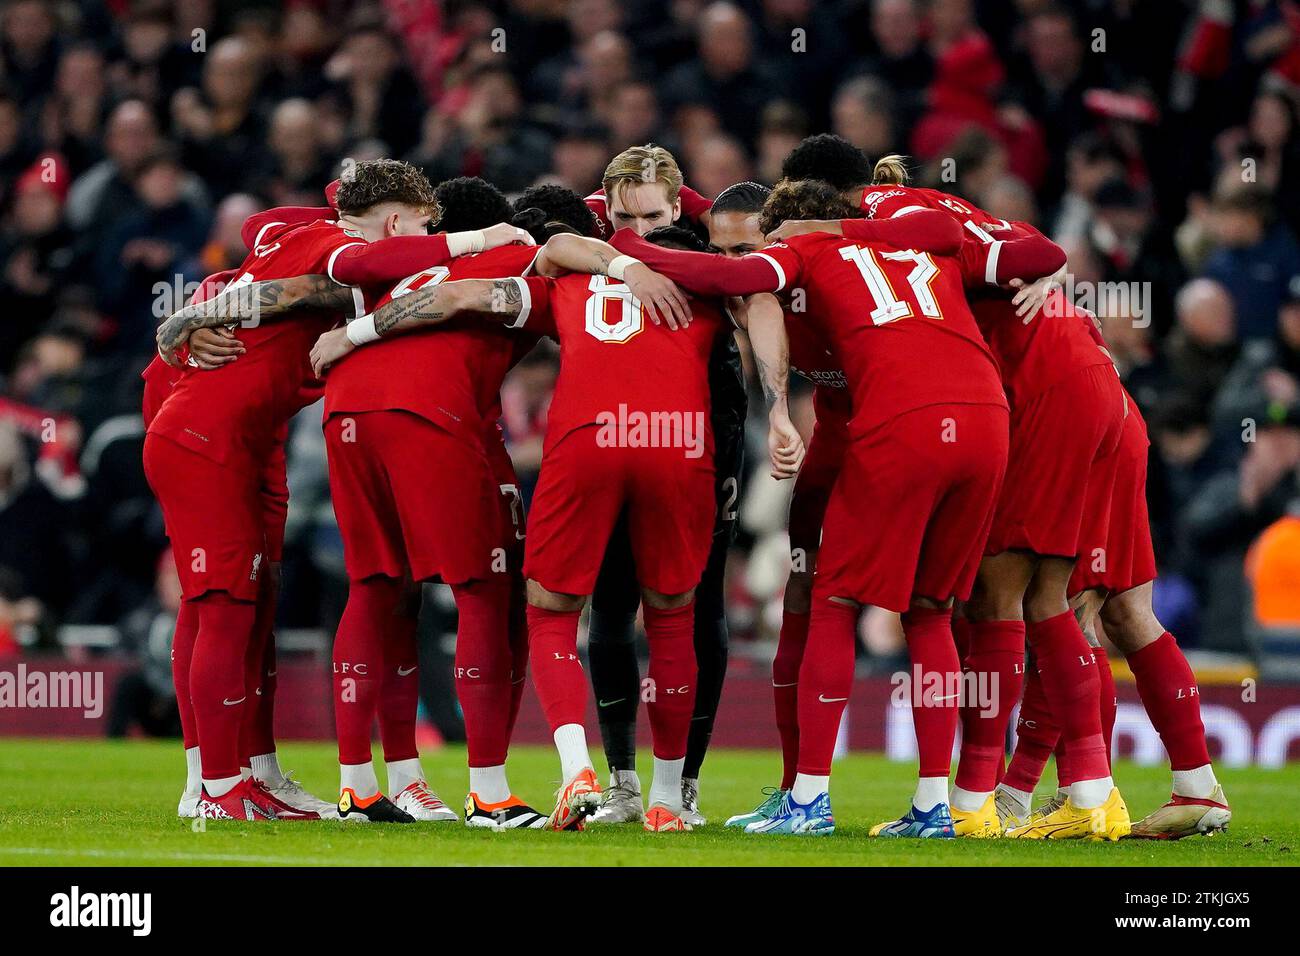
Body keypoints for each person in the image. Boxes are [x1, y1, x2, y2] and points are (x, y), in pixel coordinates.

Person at [605, 179, 1025, 835]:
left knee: (831, 597)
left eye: (770, 234)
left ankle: (808, 801)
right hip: (988, 420)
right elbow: (1019, 252)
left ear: (789, 227)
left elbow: (725, 273)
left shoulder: (804, 252)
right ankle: (937, 806)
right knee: (932, 610)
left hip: (902, 422)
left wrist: (627, 247)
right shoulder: (925, 251)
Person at [777, 136, 1130, 840]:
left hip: (1027, 393)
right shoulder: (931, 206)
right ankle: (1068, 789)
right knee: (1056, 601)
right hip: (1082, 382)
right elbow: (1040, 254)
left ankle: (979, 800)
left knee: (1001, 599)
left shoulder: (874, 225)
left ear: (819, 195)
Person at [150, 159, 523, 820]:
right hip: (204, 432)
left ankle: (251, 773)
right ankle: (209, 786)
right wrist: (478, 239)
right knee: (220, 607)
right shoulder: (344, 253)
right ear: (398, 220)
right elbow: (335, 272)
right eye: (418, 229)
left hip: (242, 438)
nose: (417, 245)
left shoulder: (294, 235)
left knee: (251, 609)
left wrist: (206, 303)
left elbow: (271, 232)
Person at [580, 144, 748, 826]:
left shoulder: (711, 235)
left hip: (702, 445)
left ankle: (684, 782)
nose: (641, 231)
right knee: (613, 607)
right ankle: (622, 778)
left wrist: (729, 471)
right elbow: (550, 231)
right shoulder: (593, 232)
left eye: (654, 216)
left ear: (679, 208)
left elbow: (729, 388)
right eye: (626, 217)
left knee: (700, 611)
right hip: (616, 443)